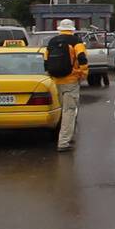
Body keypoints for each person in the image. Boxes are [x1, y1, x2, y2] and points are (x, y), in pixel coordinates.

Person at [42, 19, 88, 152]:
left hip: (56, 80)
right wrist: (84, 73)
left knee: (63, 109)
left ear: (60, 29)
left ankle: (65, 135)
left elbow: (45, 61)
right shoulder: (76, 41)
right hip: (71, 80)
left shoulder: (52, 42)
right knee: (69, 111)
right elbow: (82, 59)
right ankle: (63, 142)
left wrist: (50, 76)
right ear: (72, 29)